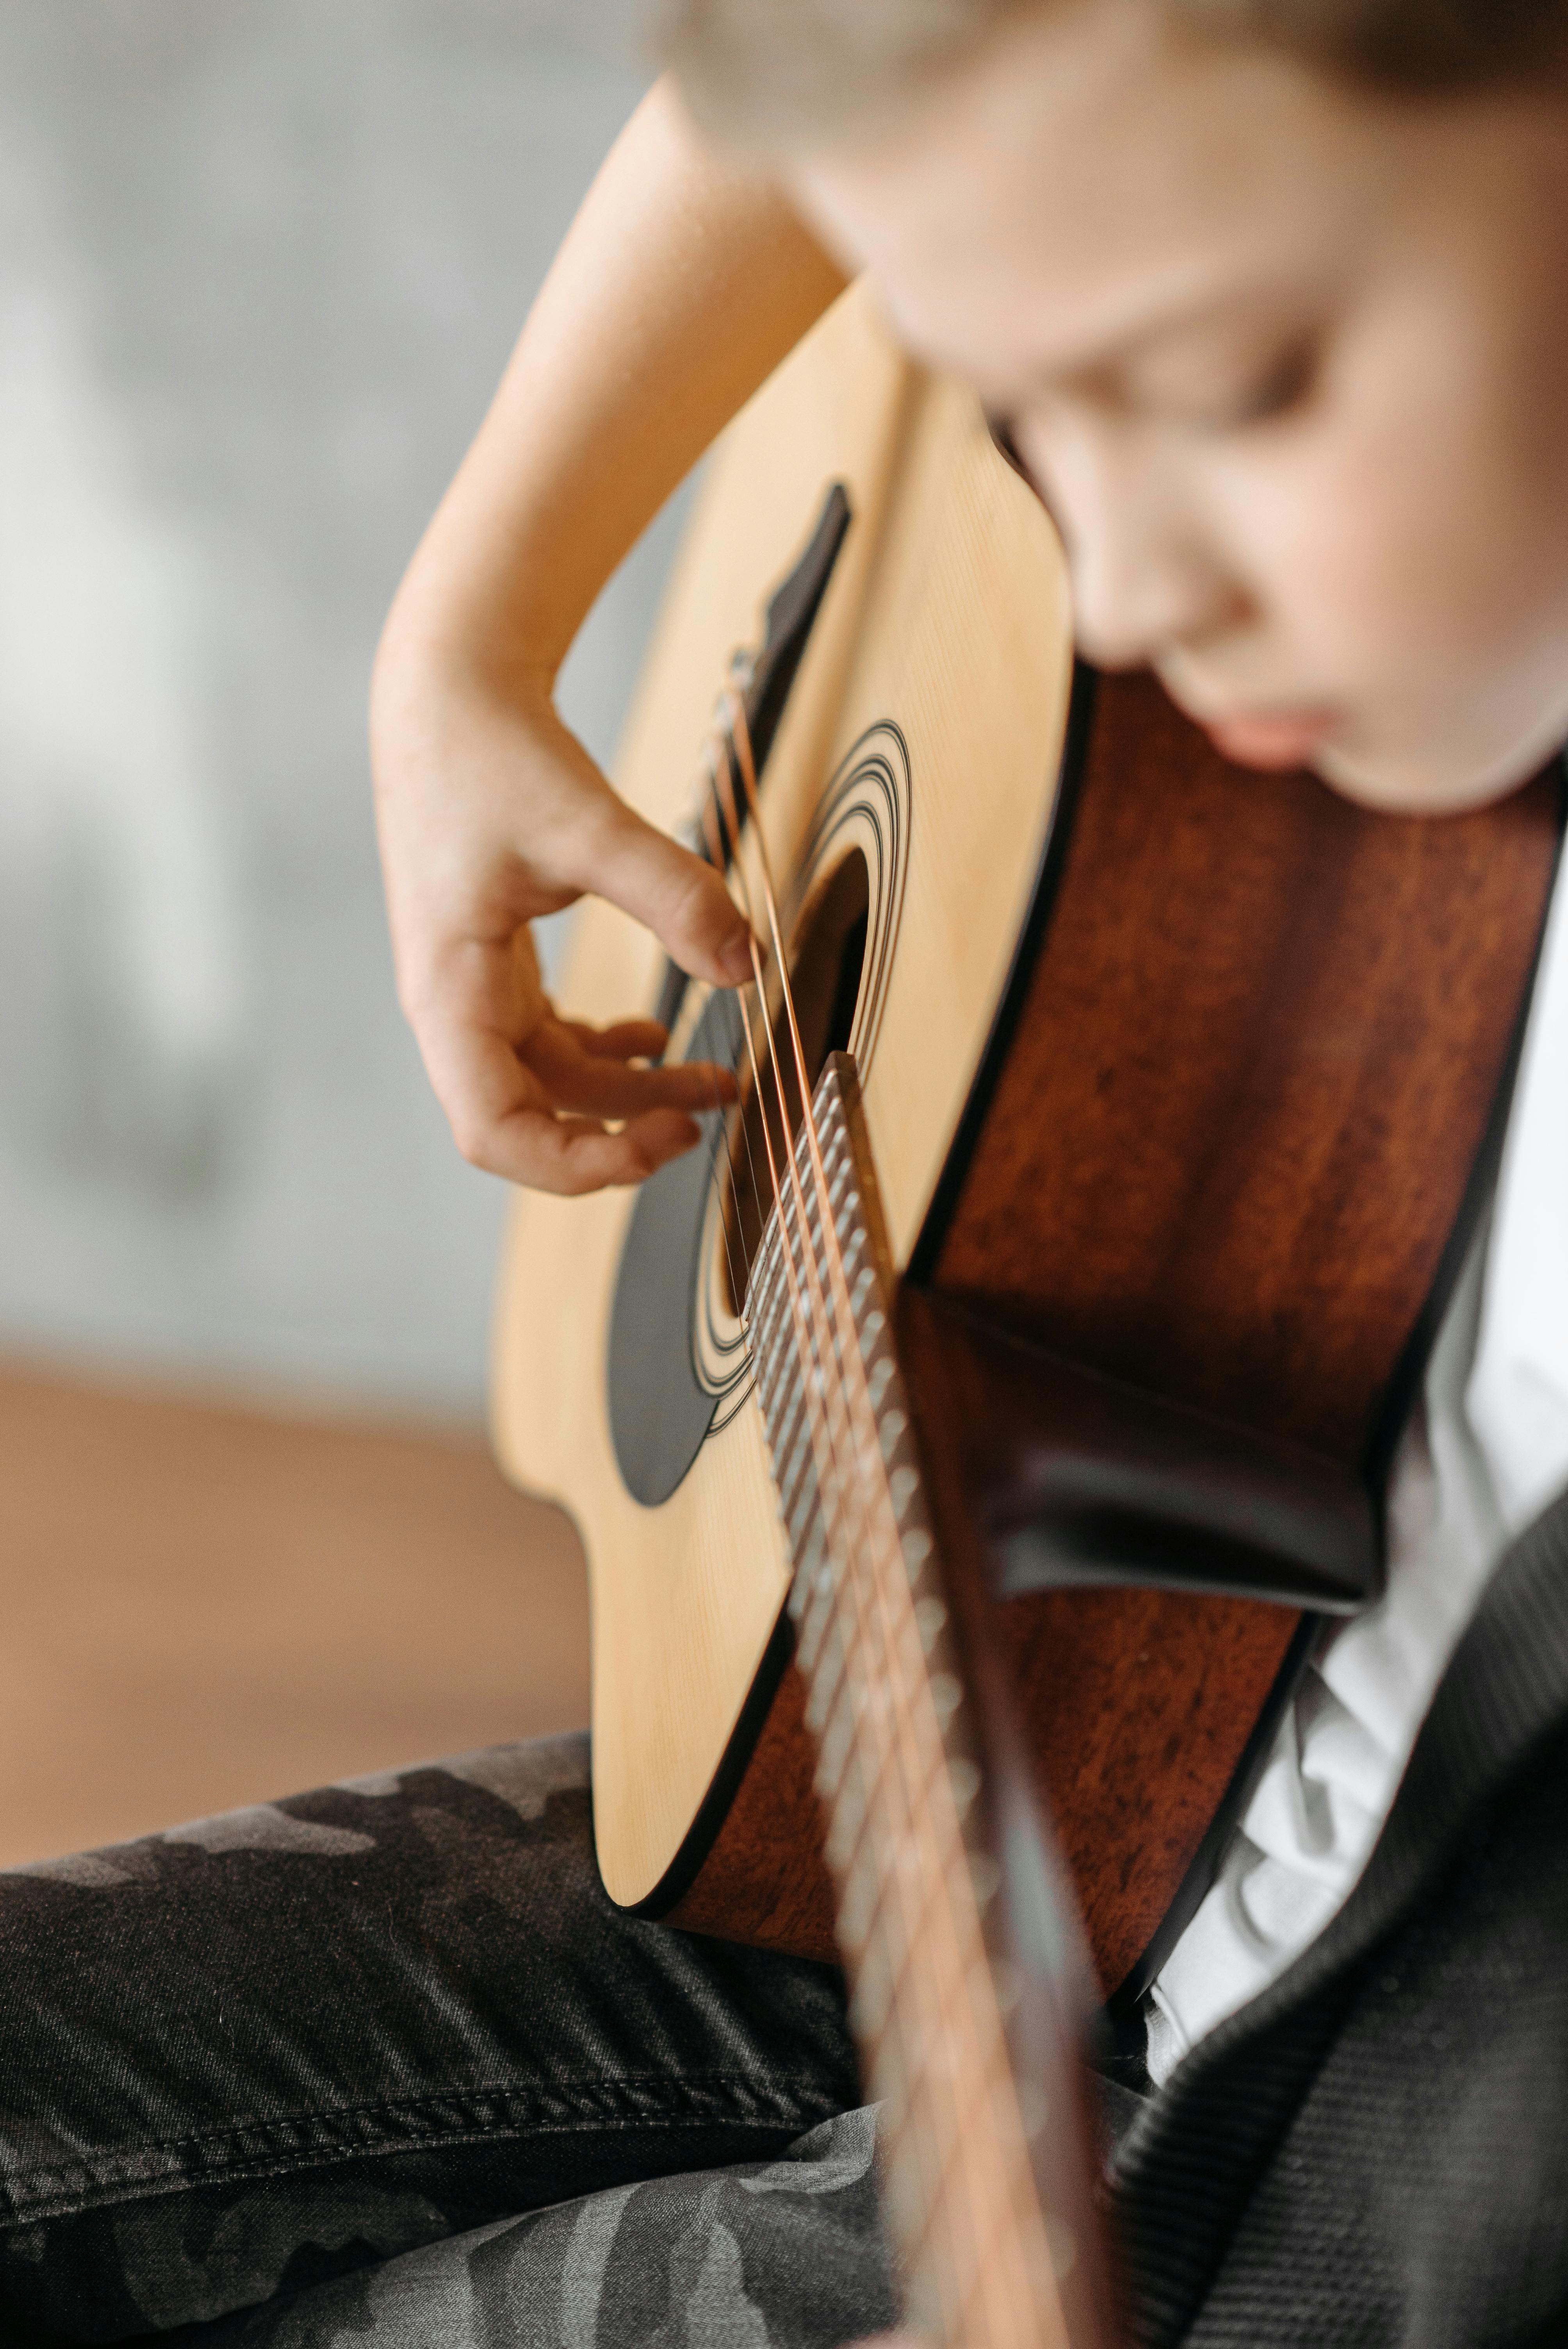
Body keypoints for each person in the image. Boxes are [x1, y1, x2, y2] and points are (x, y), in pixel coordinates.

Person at [4, 3, 1568, 2340]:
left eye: (1237, 386)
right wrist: (473, 622)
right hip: (1094, 1799)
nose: (1123, 593)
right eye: (1028, 411)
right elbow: (884, 82)